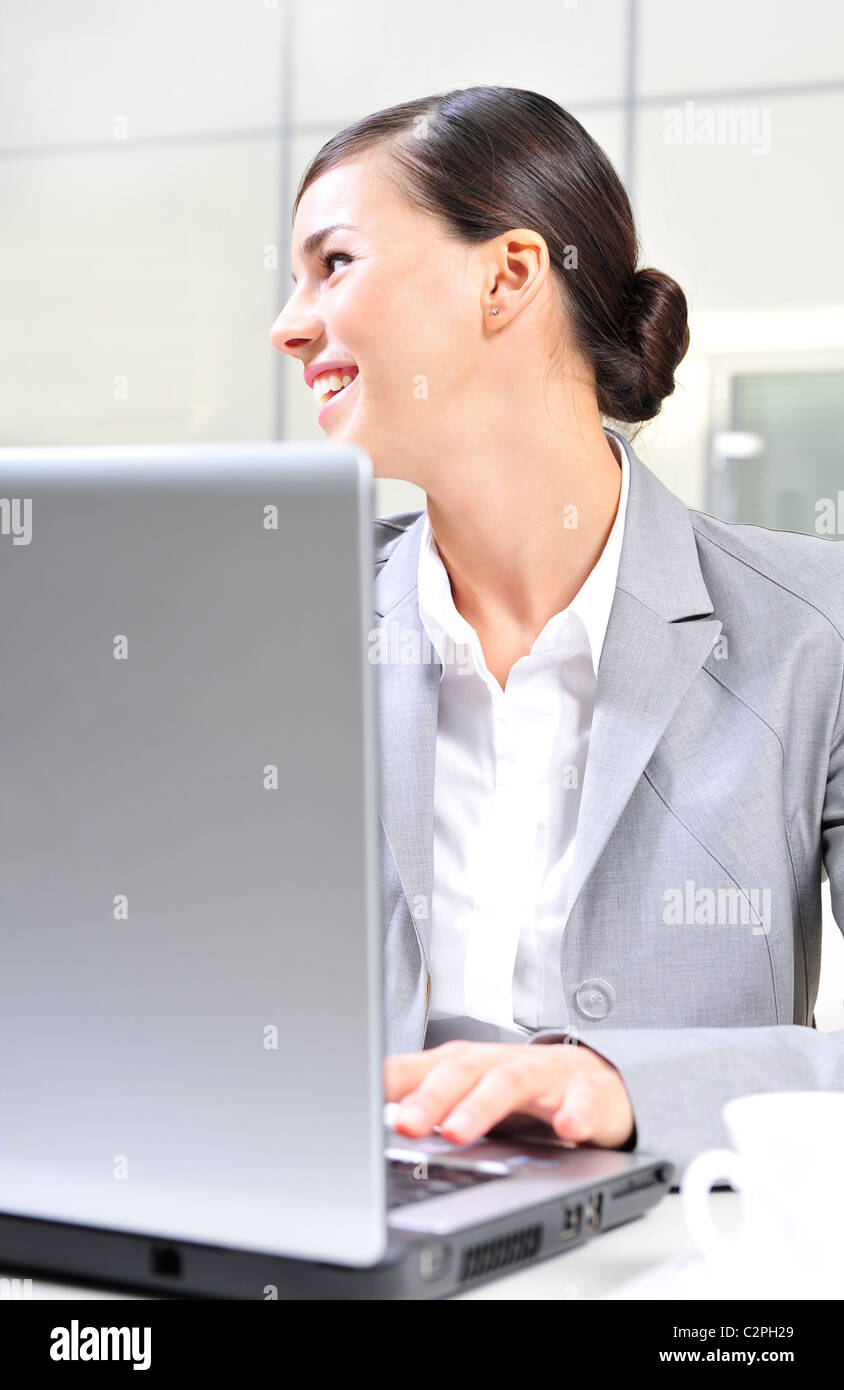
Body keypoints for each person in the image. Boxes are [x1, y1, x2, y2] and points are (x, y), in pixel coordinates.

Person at [269, 85, 844, 1180]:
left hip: (673, 1260)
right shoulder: (275, 618)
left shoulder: (813, 629)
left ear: (510, 275)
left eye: (334, 263)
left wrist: (624, 1085)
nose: (289, 323)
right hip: (336, 1235)